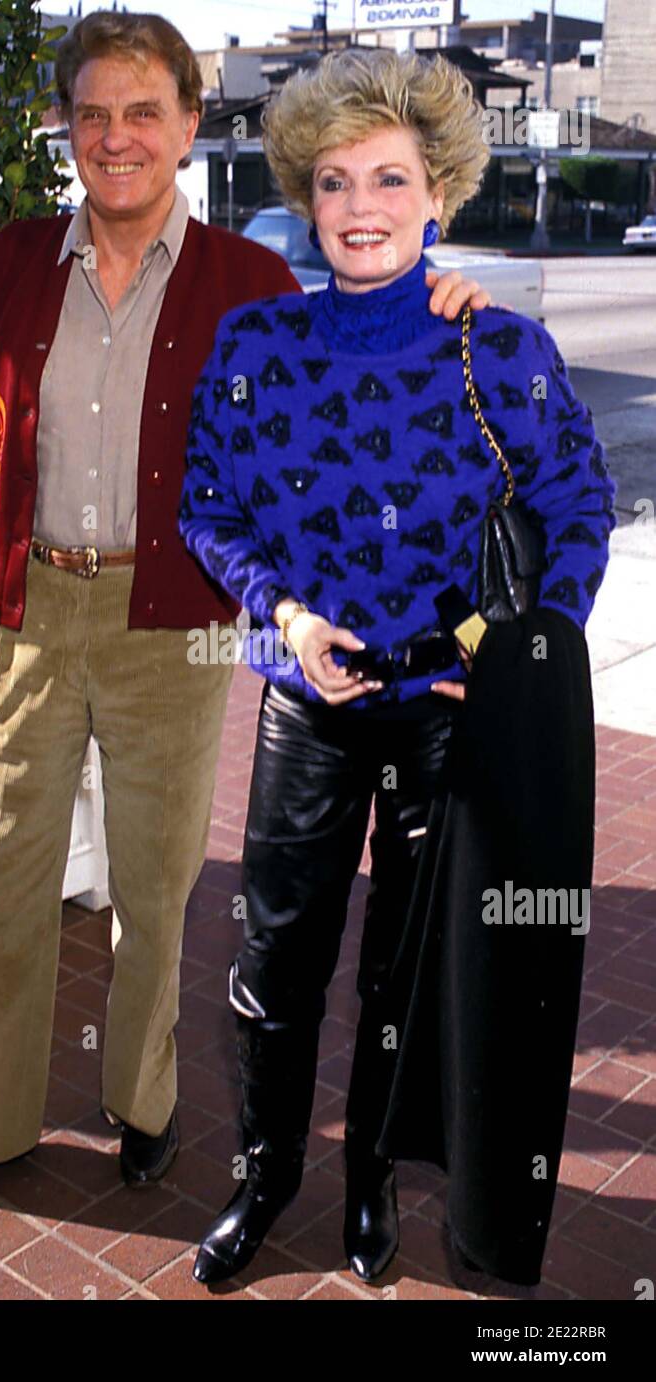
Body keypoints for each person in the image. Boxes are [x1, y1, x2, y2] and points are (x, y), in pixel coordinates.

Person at [0, 14, 490, 1220]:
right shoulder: (10, 264)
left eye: (143, 111)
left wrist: (441, 306)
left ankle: (145, 1106)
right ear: (64, 126)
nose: (117, 137)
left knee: (157, 893)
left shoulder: (249, 282)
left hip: (178, 626)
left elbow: (346, 407)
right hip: (26, 611)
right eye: (93, 112)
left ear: (187, 126)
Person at [178, 46, 615, 1284]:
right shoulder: (257, 341)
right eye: (332, 180)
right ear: (303, 198)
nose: (359, 206)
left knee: (400, 973)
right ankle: (262, 1183)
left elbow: (579, 504)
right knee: (273, 961)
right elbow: (208, 506)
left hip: (444, 711)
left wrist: (513, 655)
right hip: (309, 699)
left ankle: (368, 1188)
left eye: (388, 179)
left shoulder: (501, 348)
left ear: (439, 195)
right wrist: (285, 620)